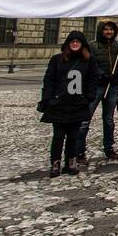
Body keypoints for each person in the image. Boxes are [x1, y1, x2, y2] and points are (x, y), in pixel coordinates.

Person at [38, 31, 99, 178]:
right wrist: (48, 99)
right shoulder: (57, 60)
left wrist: (89, 97)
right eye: (72, 42)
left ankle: (71, 161)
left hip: (78, 104)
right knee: (58, 136)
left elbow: (92, 79)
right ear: (68, 44)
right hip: (59, 104)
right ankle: (55, 162)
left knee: (73, 136)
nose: (75, 44)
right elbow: (49, 80)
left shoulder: (89, 61)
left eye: (78, 42)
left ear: (83, 44)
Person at [87, 20, 118, 161]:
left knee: (109, 120)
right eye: (106, 29)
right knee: (86, 119)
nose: (109, 32)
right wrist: (102, 75)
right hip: (97, 86)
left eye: (111, 29)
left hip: (112, 86)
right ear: (101, 31)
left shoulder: (117, 46)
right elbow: (90, 65)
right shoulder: (93, 46)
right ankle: (79, 150)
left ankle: (109, 147)